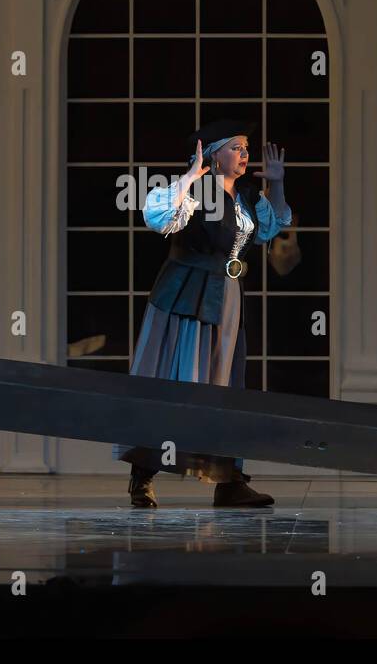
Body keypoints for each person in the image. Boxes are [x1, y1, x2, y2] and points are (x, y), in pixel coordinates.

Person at [114, 118, 294, 508]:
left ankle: (229, 482)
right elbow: (158, 218)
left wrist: (276, 184)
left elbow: (270, 228)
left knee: (224, 387)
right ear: (214, 154)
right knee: (174, 383)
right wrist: (190, 177)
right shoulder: (197, 191)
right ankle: (142, 477)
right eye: (236, 147)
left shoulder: (246, 195)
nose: (244, 154)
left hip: (226, 296)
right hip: (187, 295)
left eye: (247, 148)